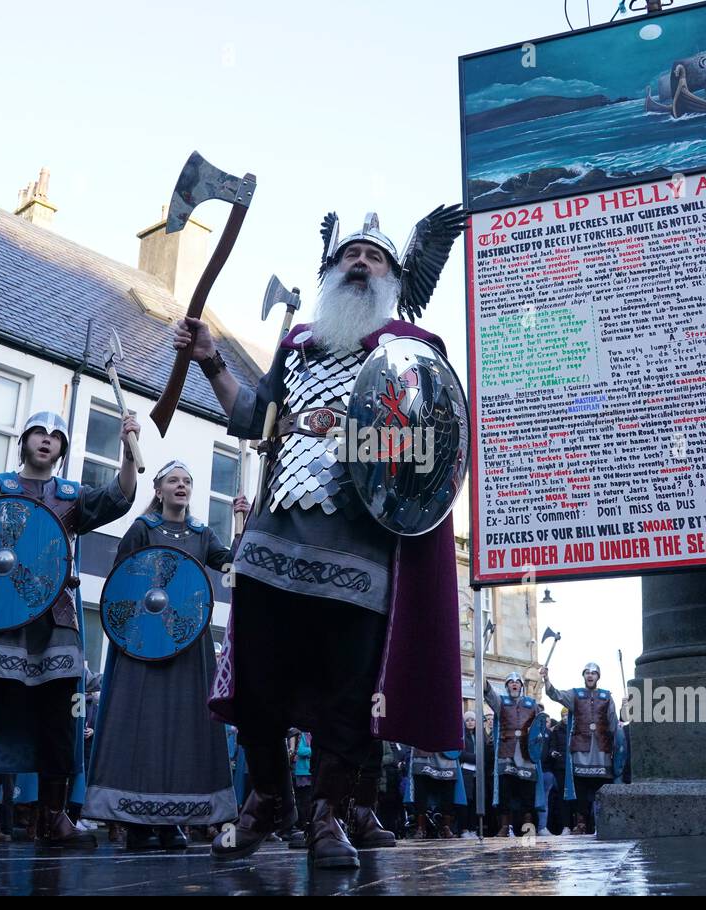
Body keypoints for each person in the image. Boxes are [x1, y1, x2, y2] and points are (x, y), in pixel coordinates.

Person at [176, 208, 467, 869]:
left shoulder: (414, 354)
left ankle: (330, 814)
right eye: (349, 255)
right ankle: (268, 797)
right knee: (255, 679)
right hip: (273, 540)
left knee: (348, 688)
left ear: (395, 278)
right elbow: (255, 420)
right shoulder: (296, 346)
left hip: (358, 547)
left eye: (374, 257)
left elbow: (434, 446)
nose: (359, 263)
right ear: (330, 270)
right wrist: (211, 361)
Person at [0, 410, 138, 849]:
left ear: (62, 450)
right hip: (0, 619)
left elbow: (119, 498)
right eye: (39, 434)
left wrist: (127, 451)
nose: (46, 441)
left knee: (59, 718)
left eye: (55, 437)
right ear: (25, 440)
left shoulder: (70, 496)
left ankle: (53, 816)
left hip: (57, 620)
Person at [83, 461, 242, 851]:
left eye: (187, 481)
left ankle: (175, 821)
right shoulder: (143, 530)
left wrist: (242, 526)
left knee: (184, 727)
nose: (182, 486)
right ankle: (137, 822)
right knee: (143, 726)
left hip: (189, 642)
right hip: (145, 643)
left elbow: (232, 569)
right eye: (174, 480)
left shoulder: (203, 534)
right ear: (159, 489)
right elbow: (121, 581)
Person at [544, 662, 619, 834]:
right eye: (587, 673)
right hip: (581, 747)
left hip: (601, 749)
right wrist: (547, 679)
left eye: (594, 673)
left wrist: (615, 747)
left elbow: (613, 723)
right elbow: (555, 694)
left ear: (598, 676)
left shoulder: (606, 696)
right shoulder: (575, 695)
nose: (590, 675)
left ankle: (602, 822)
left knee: (602, 787)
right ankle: (581, 823)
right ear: (583, 676)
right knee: (581, 788)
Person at [483, 673, 545, 837]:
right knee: (505, 794)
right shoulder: (501, 702)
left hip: (526, 754)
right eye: (511, 682)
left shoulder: (532, 704)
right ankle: (505, 827)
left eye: (518, 682)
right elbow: (487, 692)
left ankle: (528, 829)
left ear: (522, 687)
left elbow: (540, 726)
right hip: (507, 753)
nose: (515, 684)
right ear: (507, 686)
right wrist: (480, 672)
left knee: (527, 795)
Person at [405, 744, 465, 838]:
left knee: (448, 791)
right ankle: (421, 827)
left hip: (446, 751)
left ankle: (446, 827)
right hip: (424, 751)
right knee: (420, 791)